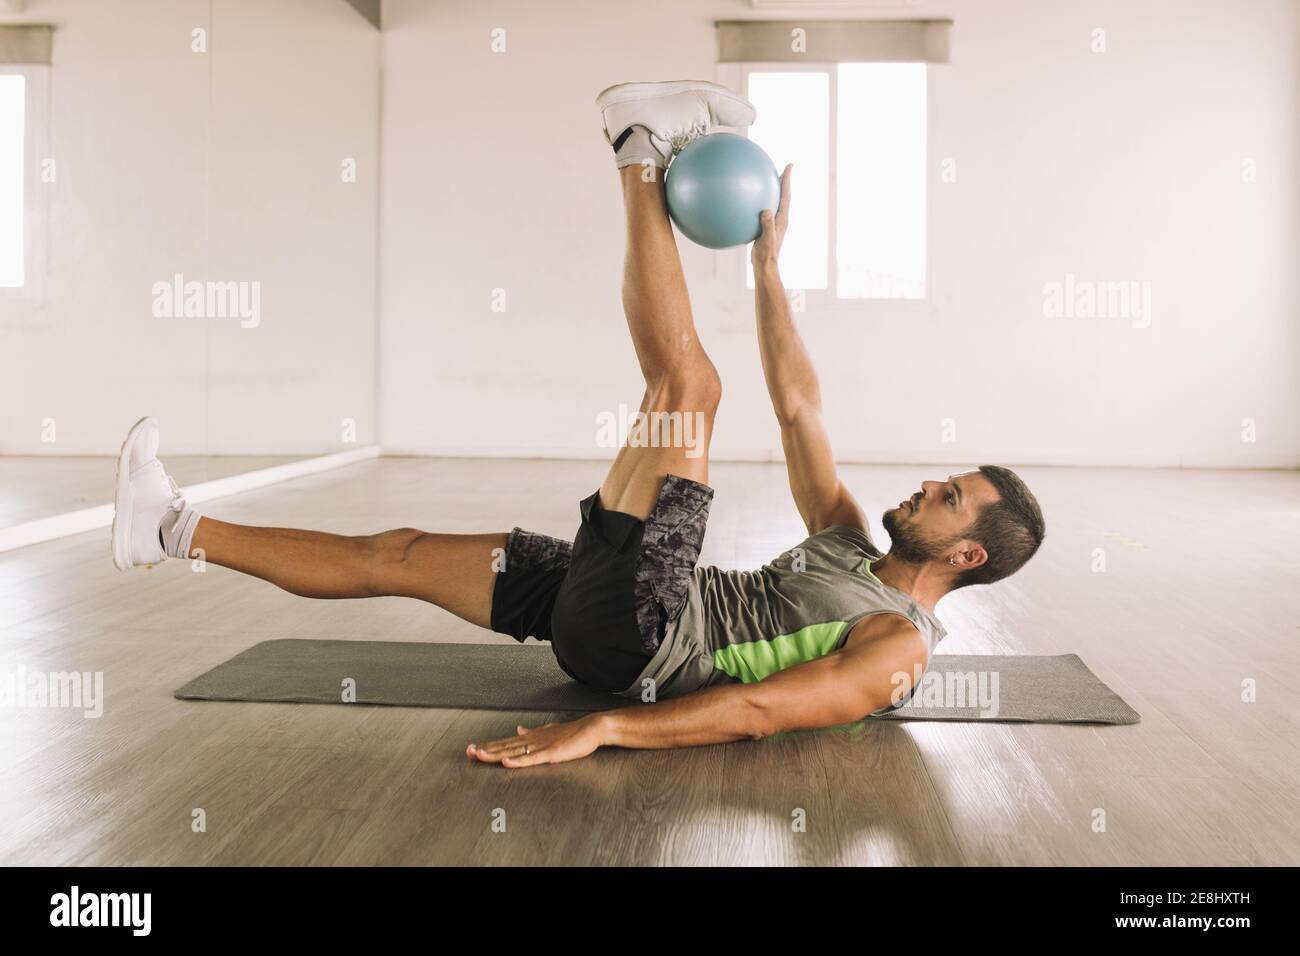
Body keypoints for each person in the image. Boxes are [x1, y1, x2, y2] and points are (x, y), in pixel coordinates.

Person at [111, 80, 1045, 769]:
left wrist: (606, 728)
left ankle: (637, 141)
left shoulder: (898, 649)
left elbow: (759, 710)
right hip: (629, 605)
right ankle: (170, 529)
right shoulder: (848, 541)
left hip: (650, 634)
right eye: (943, 479)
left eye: (948, 497)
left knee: (687, 388)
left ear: (966, 555)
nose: (927, 485)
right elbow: (799, 405)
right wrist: (767, 267)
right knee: (398, 551)